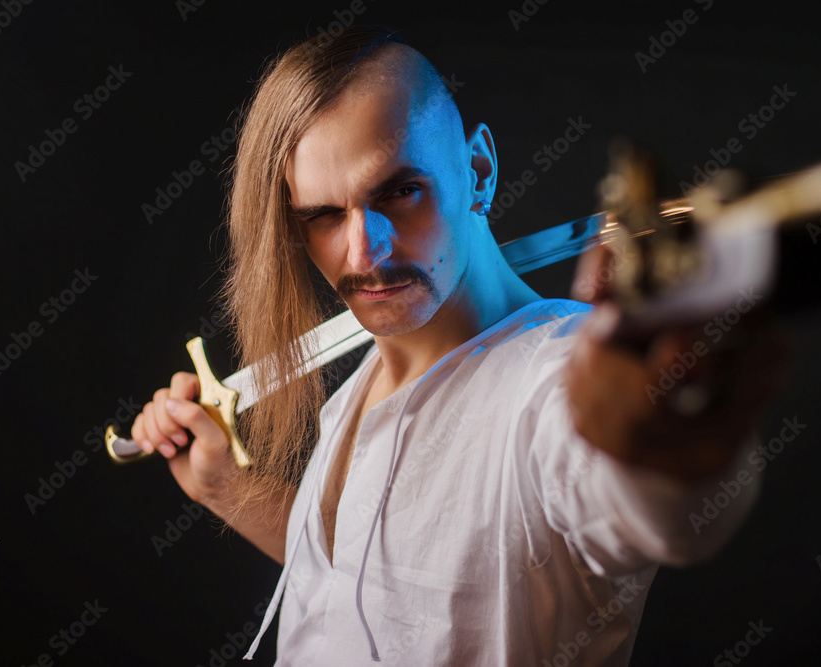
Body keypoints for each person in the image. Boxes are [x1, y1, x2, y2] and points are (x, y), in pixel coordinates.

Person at [130, 27, 786, 665]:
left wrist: (677, 425)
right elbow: (361, 592)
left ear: (478, 170)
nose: (364, 251)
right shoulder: (357, 390)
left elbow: (661, 508)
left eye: (400, 191)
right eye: (324, 216)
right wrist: (223, 485)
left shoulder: (553, 383)